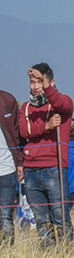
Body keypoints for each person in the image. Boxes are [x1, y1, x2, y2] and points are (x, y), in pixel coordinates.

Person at [18, 63, 74, 246]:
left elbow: (59, 103)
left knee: (60, 216)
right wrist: (47, 126)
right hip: (31, 169)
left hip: (54, 167)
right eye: (32, 82)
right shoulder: (26, 107)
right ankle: (48, 254)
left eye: (40, 82)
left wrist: (46, 84)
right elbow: (24, 131)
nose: (36, 86)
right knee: (41, 219)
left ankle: (67, 253)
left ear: (51, 82)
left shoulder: (63, 102)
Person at [0, 87, 22, 245]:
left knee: (6, 216)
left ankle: (7, 252)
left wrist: (20, 161)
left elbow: (17, 133)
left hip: (7, 169)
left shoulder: (7, 100)